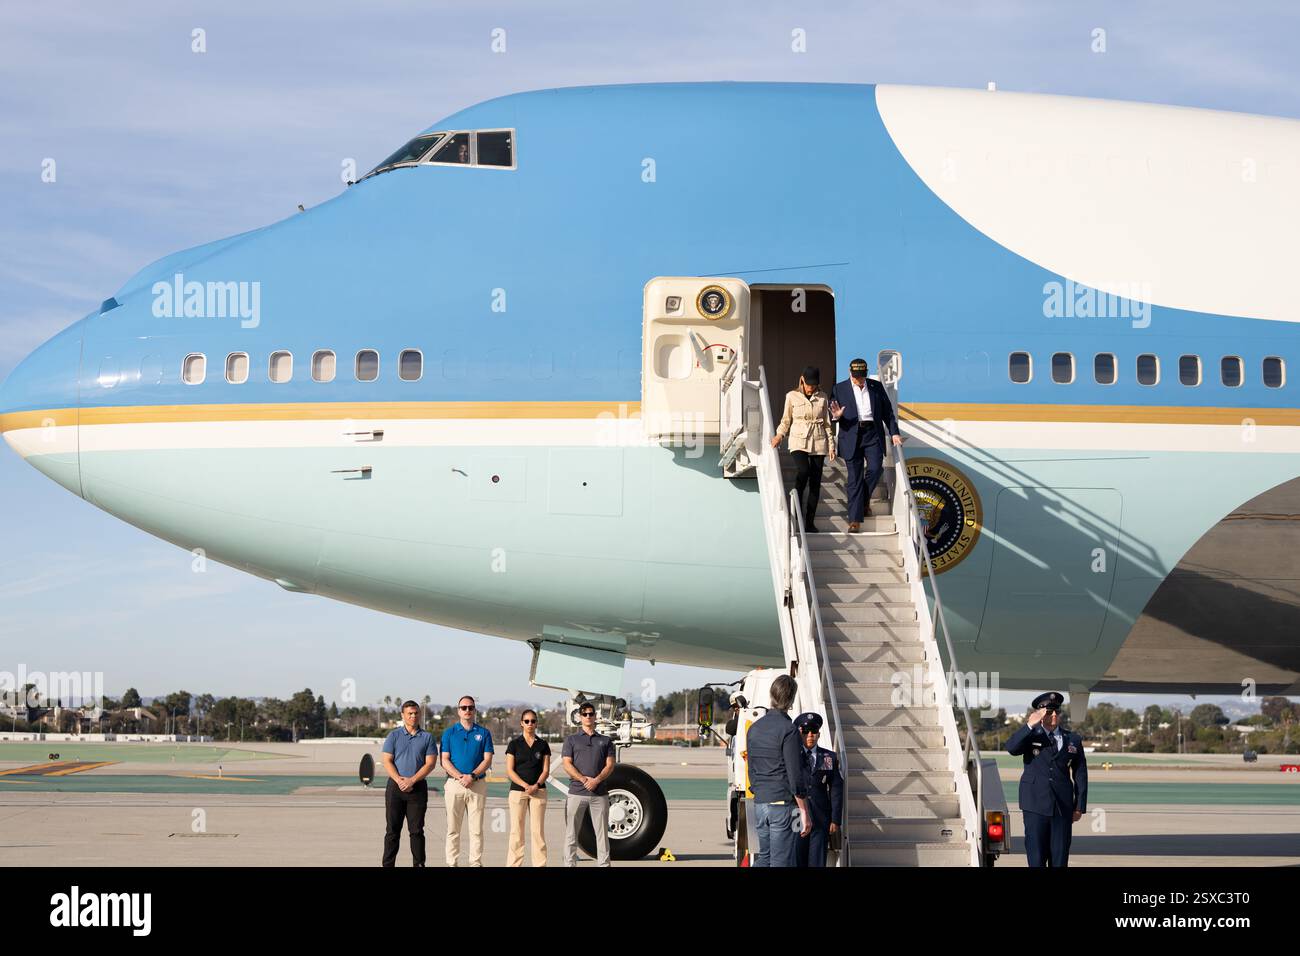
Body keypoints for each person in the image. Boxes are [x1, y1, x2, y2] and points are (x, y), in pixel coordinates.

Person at [1005, 691, 1088, 867]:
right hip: (1035, 805)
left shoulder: (1072, 739)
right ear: (1040, 714)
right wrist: (1029, 725)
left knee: (1059, 858)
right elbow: (1011, 748)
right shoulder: (1031, 735)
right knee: (1036, 857)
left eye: (1057, 711)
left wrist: (1079, 806)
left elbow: (1080, 773)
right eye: (1049, 712)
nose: (1055, 715)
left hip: (1062, 807)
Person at [829, 358, 902, 531]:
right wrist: (837, 416)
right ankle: (855, 520)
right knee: (854, 478)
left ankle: (862, 501)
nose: (858, 380)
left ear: (866, 374)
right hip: (850, 435)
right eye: (855, 377)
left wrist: (894, 432)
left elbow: (888, 413)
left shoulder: (876, 387)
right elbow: (831, 411)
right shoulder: (839, 389)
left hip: (872, 433)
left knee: (876, 468)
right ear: (849, 372)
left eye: (861, 377)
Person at [744, 674, 810, 866]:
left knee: (764, 858)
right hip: (781, 804)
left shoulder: (754, 729)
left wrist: (759, 792)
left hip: (761, 803)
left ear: (772, 695)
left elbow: (752, 769)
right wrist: (804, 811)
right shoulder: (788, 729)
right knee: (782, 861)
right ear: (791, 699)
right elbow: (794, 774)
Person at [771, 365, 834, 532]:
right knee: (803, 471)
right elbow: (786, 420)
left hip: (818, 442)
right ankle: (796, 510)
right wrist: (779, 435)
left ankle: (809, 523)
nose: (811, 388)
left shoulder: (823, 397)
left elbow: (827, 424)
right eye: (808, 384)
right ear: (802, 380)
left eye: (814, 385)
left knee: (815, 483)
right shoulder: (791, 396)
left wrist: (831, 446)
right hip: (798, 440)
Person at [380, 700, 438, 867]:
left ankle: (419, 864)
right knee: (392, 831)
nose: (413, 716)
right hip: (395, 788)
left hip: (417, 789)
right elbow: (387, 761)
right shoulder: (393, 736)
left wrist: (412, 780)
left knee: (417, 831)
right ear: (402, 715)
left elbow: (430, 764)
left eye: (416, 713)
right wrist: (399, 780)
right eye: (410, 713)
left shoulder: (427, 737)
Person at [440, 694, 494, 867]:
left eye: (470, 707)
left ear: (475, 710)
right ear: (458, 711)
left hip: (477, 785)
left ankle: (475, 863)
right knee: (452, 829)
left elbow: (487, 760)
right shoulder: (449, 733)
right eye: (464, 708)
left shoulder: (484, 733)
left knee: (476, 830)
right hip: (454, 786)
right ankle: (452, 863)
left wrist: (472, 776)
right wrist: (459, 777)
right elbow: (445, 759)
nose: (467, 710)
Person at [561, 702, 615, 867]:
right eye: (585, 714)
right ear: (580, 717)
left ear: (596, 716)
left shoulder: (606, 741)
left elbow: (610, 765)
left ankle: (604, 865)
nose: (588, 717)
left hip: (599, 794)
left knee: (602, 835)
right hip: (577, 793)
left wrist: (596, 780)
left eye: (591, 714)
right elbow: (567, 764)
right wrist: (584, 780)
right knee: (571, 833)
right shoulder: (571, 740)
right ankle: (569, 865)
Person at [792, 712, 843, 867]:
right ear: (800, 733)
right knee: (797, 858)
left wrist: (835, 818)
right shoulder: (793, 756)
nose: (810, 735)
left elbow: (836, 788)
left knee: (818, 860)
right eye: (806, 731)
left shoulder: (828, 757)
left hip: (821, 817)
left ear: (819, 734)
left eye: (814, 731)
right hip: (797, 814)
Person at [505, 708, 551, 867]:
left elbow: (546, 770)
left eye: (533, 721)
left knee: (537, 832)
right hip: (518, 792)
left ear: (537, 723)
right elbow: (510, 770)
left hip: (539, 791)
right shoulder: (514, 744)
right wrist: (526, 786)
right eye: (527, 721)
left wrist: (536, 785)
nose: (530, 724)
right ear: (521, 724)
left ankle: (540, 865)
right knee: (516, 833)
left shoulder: (543, 744)